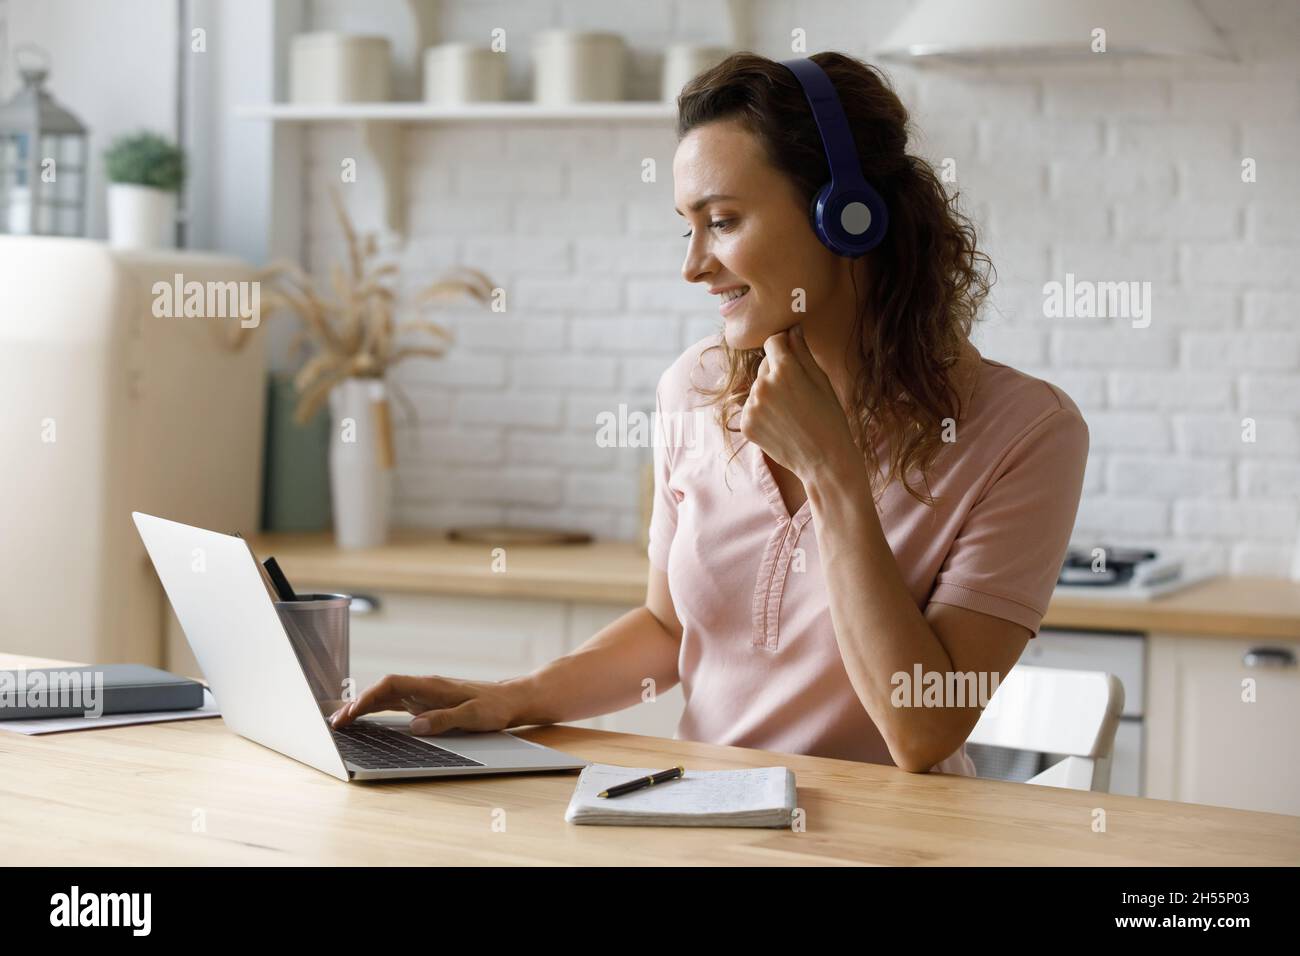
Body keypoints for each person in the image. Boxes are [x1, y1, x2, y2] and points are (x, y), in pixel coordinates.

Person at [331, 51, 1088, 775]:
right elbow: (667, 631)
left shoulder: (1024, 430)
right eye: (686, 227)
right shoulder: (692, 387)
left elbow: (922, 731)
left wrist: (831, 474)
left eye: (722, 221)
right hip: (706, 822)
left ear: (847, 218)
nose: (692, 265)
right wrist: (513, 699)